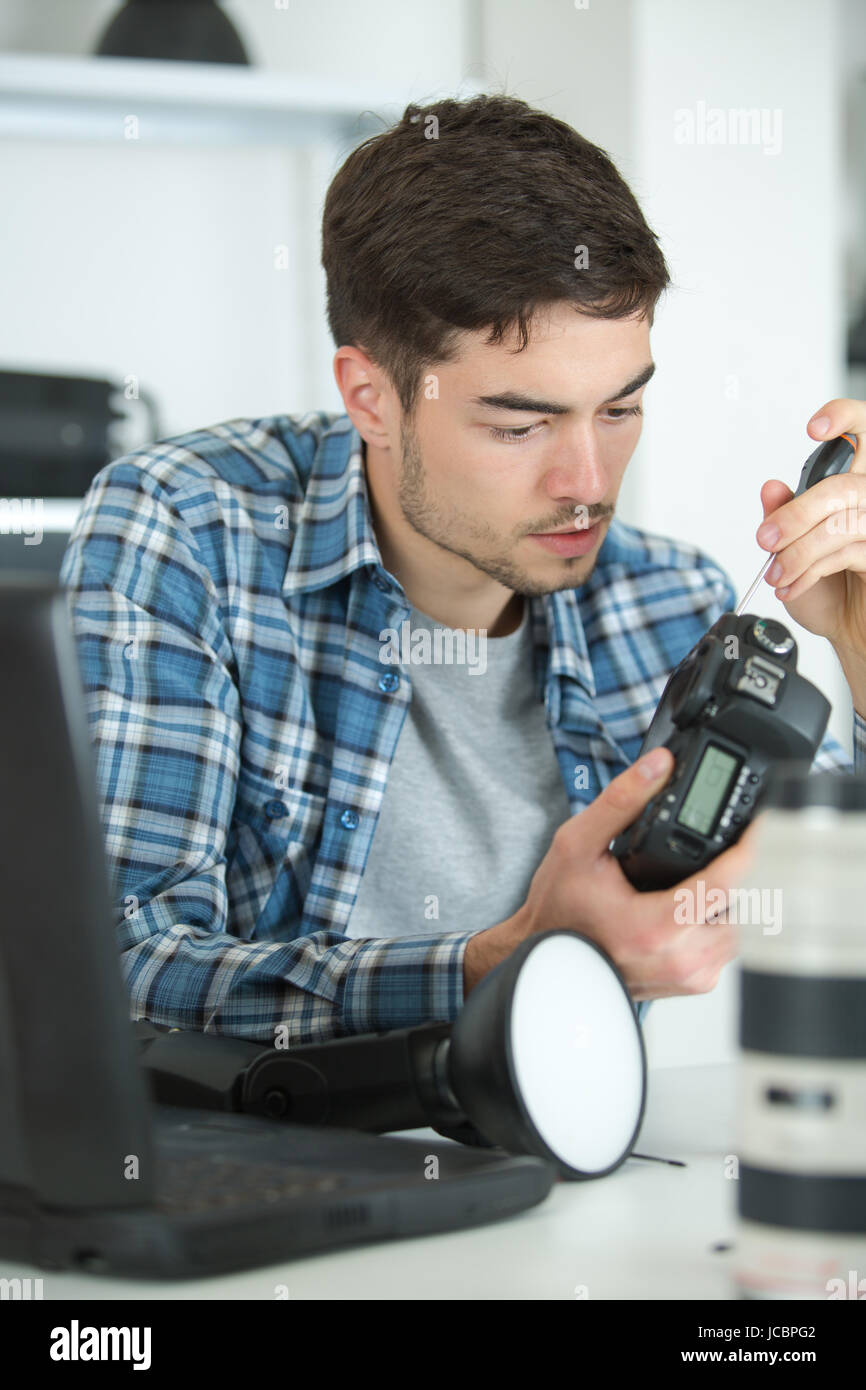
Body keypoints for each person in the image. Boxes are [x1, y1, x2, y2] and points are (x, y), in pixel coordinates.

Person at [60, 93, 866, 1046]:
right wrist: (506, 960)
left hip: (602, 1181)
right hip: (277, 1182)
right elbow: (110, 965)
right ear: (370, 397)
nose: (588, 485)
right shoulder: (190, 530)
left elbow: (830, 924)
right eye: (519, 425)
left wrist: (861, 656)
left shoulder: (671, 601)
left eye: (619, 410)